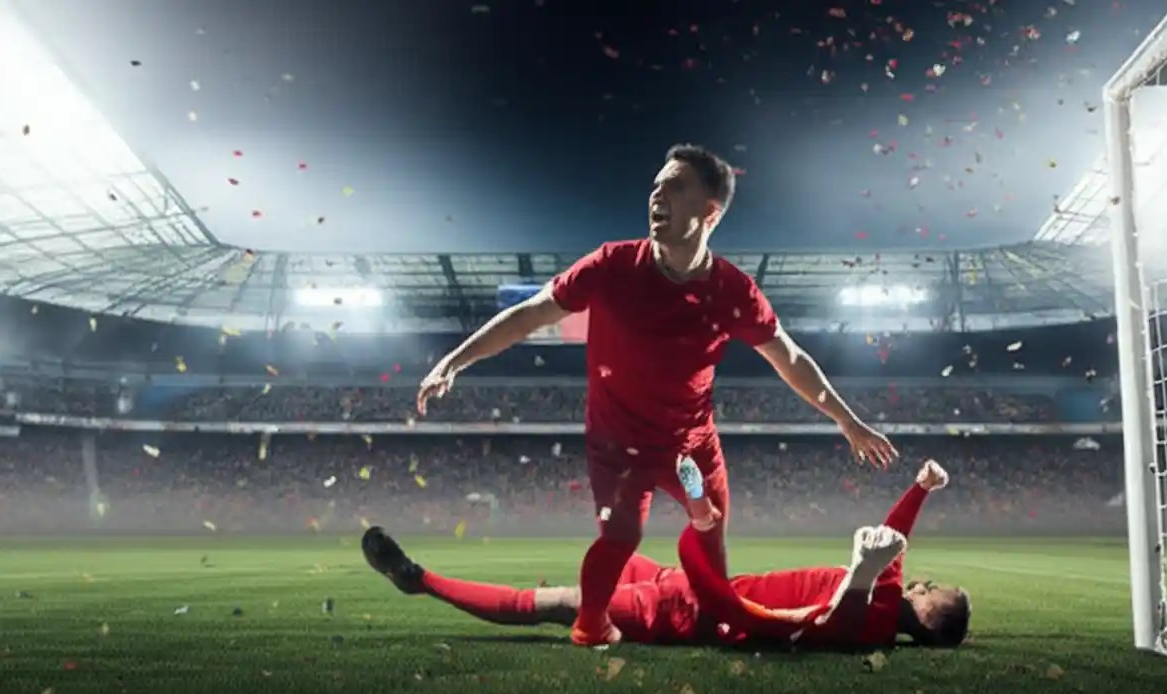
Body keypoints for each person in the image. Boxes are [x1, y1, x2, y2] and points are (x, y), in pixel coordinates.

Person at [416, 143, 897, 646]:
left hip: (692, 447)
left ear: (709, 212)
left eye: (675, 187)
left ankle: (714, 623)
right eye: (656, 187)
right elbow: (533, 313)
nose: (656, 196)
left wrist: (847, 420)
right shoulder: (612, 265)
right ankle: (592, 623)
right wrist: (454, 360)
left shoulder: (733, 291)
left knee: (712, 549)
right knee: (622, 536)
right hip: (617, 444)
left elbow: (790, 358)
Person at [360, 460, 967, 649]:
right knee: (606, 555)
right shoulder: (891, 594)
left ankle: (421, 581)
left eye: (937, 593)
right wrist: (922, 488)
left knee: (554, 603)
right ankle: (556, 600)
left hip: (693, 612)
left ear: (934, 619)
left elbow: (826, 622)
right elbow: (895, 539)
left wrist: (859, 571)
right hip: (691, 582)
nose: (924, 583)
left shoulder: (873, 626)